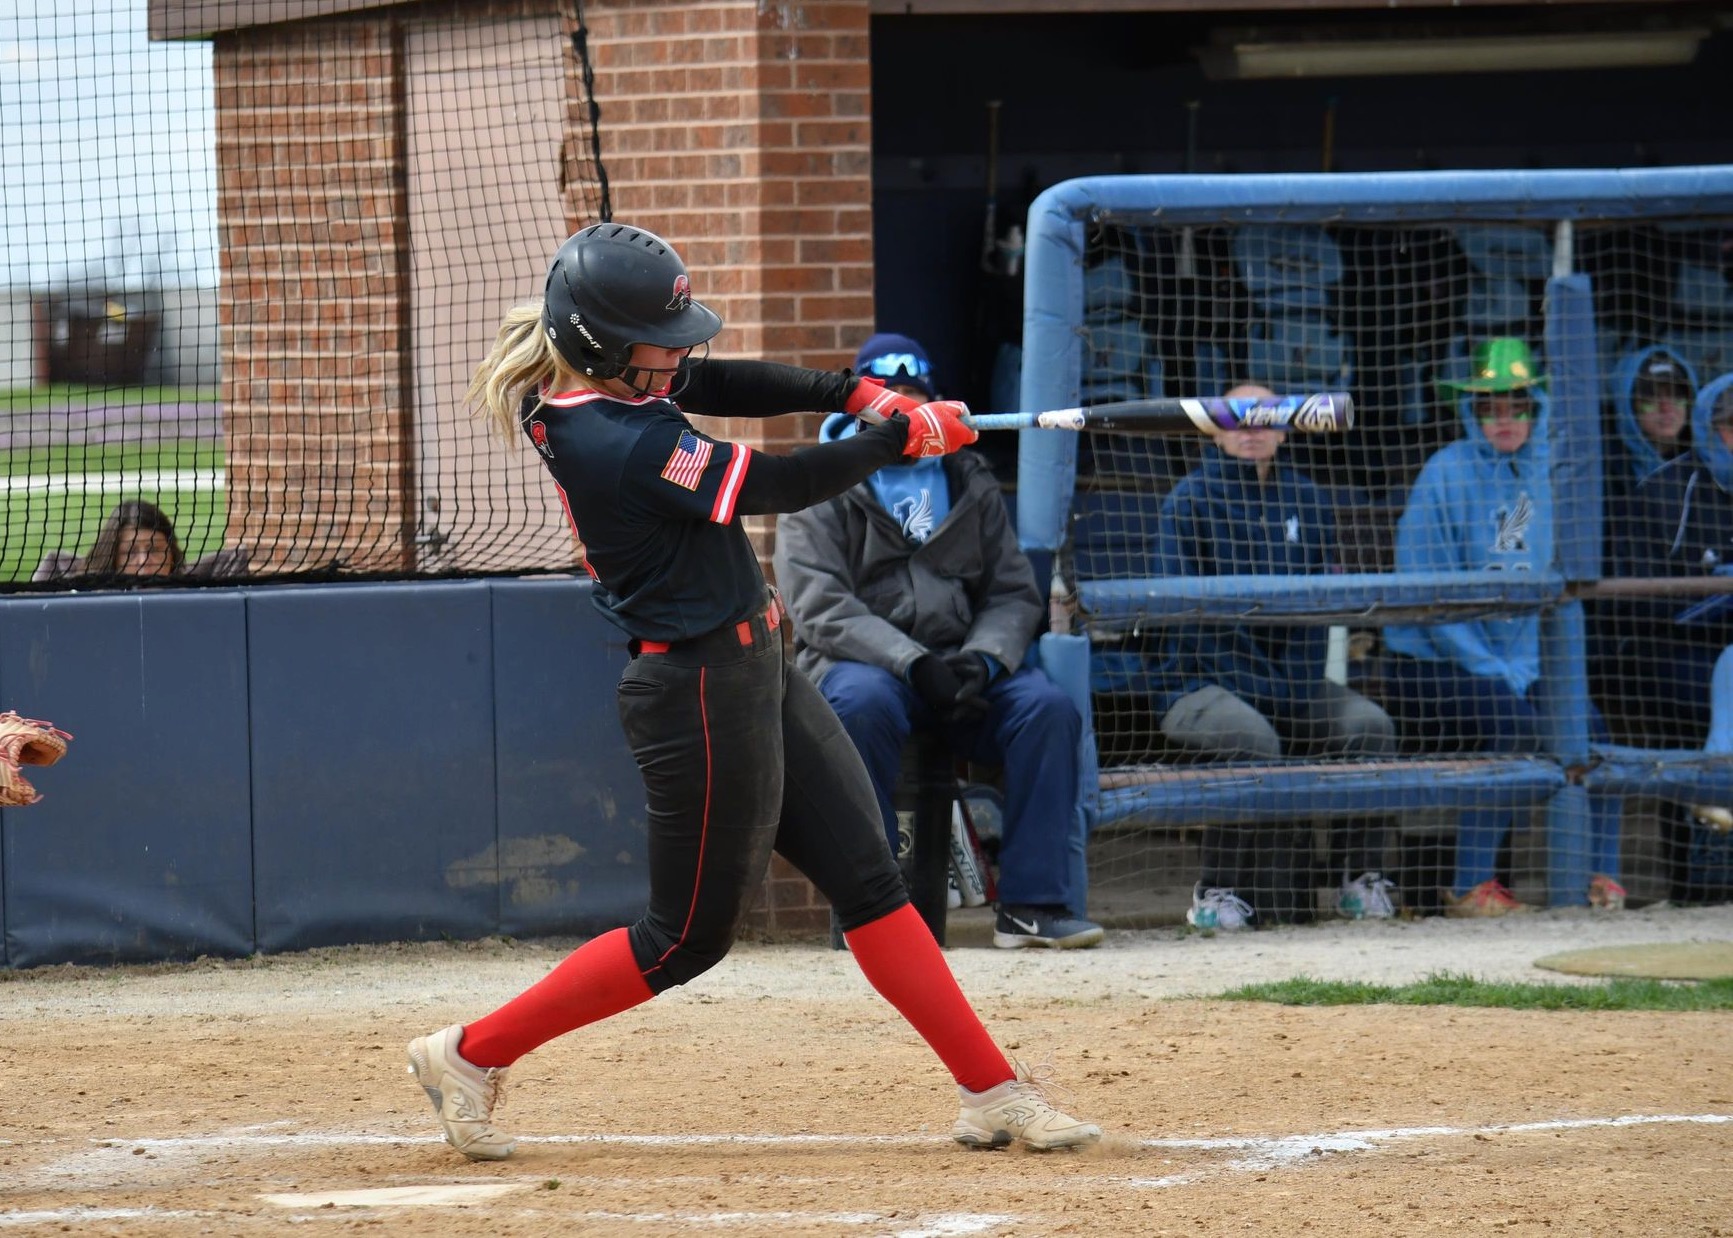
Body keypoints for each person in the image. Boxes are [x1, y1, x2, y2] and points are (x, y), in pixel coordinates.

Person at [404, 223, 1101, 1161]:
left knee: (871, 883)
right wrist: (897, 438)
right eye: (663, 342)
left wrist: (861, 396)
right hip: (693, 690)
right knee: (682, 939)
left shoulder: (612, 381)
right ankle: (469, 1055)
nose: (682, 355)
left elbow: (732, 382)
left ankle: (993, 1090)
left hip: (756, 658)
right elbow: (775, 482)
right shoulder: (612, 437)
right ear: (605, 347)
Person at [773, 333, 1103, 951]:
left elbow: (1011, 591)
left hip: (961, 665)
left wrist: (983, 659)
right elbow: (819, 607)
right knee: (857, 706)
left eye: (915, 396)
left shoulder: (968, 475)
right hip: (865, 668)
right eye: (888, 396)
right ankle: (868, 915)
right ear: (862, 408)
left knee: (1046, 709)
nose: (903, 406)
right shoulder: (813, 479)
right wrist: (912, 662)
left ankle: (1032, 906)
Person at [1381, 338, 1624, 915]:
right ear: (1471, 411)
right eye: (1490, 407)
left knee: (1595, 735)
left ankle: (1598, 879)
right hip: (1434, 663)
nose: (1505, 419)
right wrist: (1495, 666)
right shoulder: (1443, 474)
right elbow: (1430, 599)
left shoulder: (1554, 474)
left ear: (1537, 407)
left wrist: (1526, 667)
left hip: (1527, 664)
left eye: (1517, 405)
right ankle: (1472, 887)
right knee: (1513, 727)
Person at [1151, 384, 1398, 931]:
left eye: (1266, 418)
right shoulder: (1189, 499)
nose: (1252, 429)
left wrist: (1292, 688)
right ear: (1213, 428)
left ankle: (1360, 882)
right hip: (1199, 685)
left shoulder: (1310, 500)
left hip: (1292, 685)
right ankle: (1217, 894)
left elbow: (1315, 617)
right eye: (1238, 418)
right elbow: (1185, 624)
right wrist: (1265, 692)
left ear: (1288, 427)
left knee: (1369, 727)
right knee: (1252, 737)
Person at [1610, 372, 1733, 898]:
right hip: (1666, 650)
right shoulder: (1667, 487)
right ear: (1707, 428)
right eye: (1730, 428)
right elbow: (1636, 604)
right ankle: (1701, 886)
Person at [31, 499, 250, 582]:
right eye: (130, 552)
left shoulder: (187, 583)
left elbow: (236, 557)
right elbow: (55, 561)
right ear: (113, 557)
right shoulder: (86, 588)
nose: (144, 560)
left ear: (171, 553)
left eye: (154, 549)